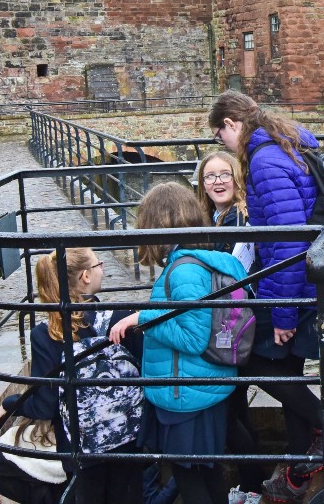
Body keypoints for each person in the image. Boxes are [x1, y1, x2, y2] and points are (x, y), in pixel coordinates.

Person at [207, 92, 324, 502]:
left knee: (260, 363)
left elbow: (288, 245)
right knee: (289, 370)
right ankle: (298, 472)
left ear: (231, 124)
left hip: (304, 290)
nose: (222, 143)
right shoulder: (288, 143)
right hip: (317, 283)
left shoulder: (264, 160)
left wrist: (284, 315)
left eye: (219, 133)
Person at [109, 182, 248, 504]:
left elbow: (193, 337)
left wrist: (142, 320)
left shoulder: (183, 271)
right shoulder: (203, 260)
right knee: (206, 470)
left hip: (185, 391)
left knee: (189, 477)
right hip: (202, 386)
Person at [0, 247, 143, 504]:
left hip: (80, 447)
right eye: (98, 264)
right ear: (85, 276)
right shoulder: (120, 318)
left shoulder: (46, 334)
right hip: (127, 437)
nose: (102, 268)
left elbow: (45, 404)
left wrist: (9, 405)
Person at [193, 151, 270, 494]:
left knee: (230, 406)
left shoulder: (239, 216)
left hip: (231, 323)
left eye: (225, 174)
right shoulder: (212, 216)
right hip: (221, 320)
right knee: (234, 403)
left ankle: (253, 481)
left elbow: (231, 271)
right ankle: (252, 480)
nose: (218, 181)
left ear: (237, 178)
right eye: (210, 176)